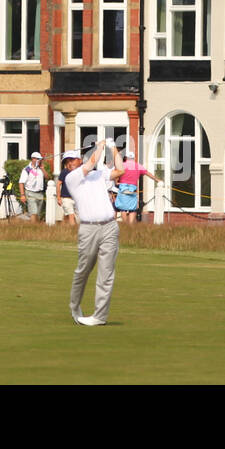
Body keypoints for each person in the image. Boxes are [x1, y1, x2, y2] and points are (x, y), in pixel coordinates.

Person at [68, 139, 124, 326]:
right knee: (83, 271)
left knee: (106, 273)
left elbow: (120, 170)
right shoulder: (72, 179)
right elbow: (91, 162)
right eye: (70, 162)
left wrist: (113, 147)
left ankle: (100, 316)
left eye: (75, 160)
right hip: (88, 229)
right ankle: (75, 306)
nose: (73, 163)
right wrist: (100, 146)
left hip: (109, 227)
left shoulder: (99, 175)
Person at [114, 148, 152, 224]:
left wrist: (116, 182)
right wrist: (157, 180)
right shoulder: (138, 166)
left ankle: (125, 224)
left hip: (123, 188)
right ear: (134, 158)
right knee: (133, 209)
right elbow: (148, 174)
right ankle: (130, 225)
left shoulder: (122, 165)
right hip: (133, 189)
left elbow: (116, 175)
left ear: (126, 158)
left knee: (123, 208)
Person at [19, 152, 47, 219]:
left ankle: (35, 227)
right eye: (37, 159)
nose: (38, 160)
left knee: (38, 214)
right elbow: (21, 182)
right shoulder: (27, 169)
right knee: (34, 212)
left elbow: (47, 177)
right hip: (30, 193)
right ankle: (33, 225)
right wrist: (22, 195)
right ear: (33, 159)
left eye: (39, 159)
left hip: (40, 193)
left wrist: (43, 168)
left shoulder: (40, 169)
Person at [58, 150, 81, 225]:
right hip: (66, 198)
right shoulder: (64, 172)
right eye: (67, 162)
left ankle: (72, 229)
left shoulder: (79, 172)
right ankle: (72, 230)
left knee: (78, 218)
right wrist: (58, 198)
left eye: (71, 161)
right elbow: (58, 184)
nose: (69, 164)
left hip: (77, 198)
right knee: (71, 215)